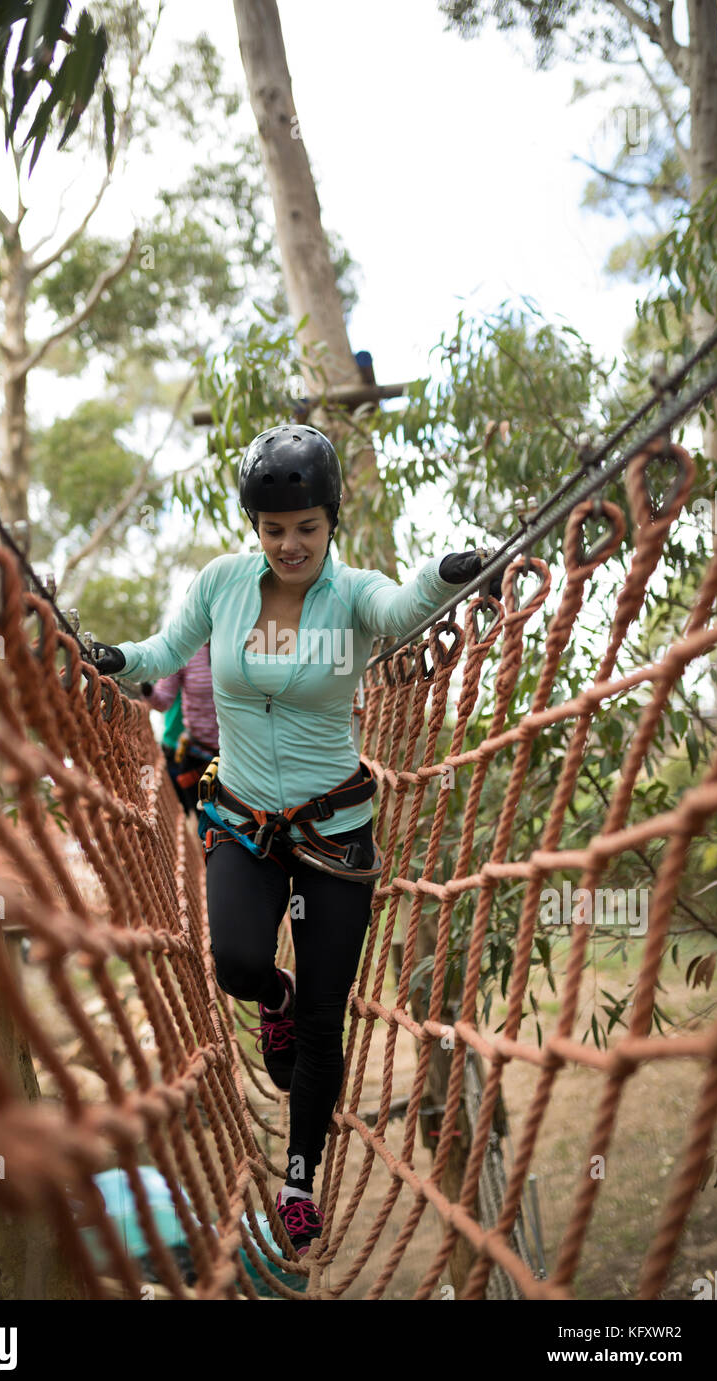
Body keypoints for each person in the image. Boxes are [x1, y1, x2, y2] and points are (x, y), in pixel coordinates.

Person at [92, 423, 498, 1258]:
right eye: (273, 529)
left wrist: (448, 572)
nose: (289, 545)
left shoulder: (351, 594)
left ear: (330, 520)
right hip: (241, 817)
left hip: (333, 835)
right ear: (254, 528)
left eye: (306, 527)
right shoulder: (222, 584)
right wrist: (108, 657)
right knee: (238, 963)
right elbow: (161, 653)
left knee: (324, 1020)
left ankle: (299, 1178)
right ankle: (267, 1002)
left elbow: (401, 607)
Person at [142, 645, 220, 813]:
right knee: (205, 821)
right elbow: (162, 700)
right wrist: (144, 686)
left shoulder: (241, 645)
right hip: (197, 755)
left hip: (239, 754)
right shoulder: (185, 649)